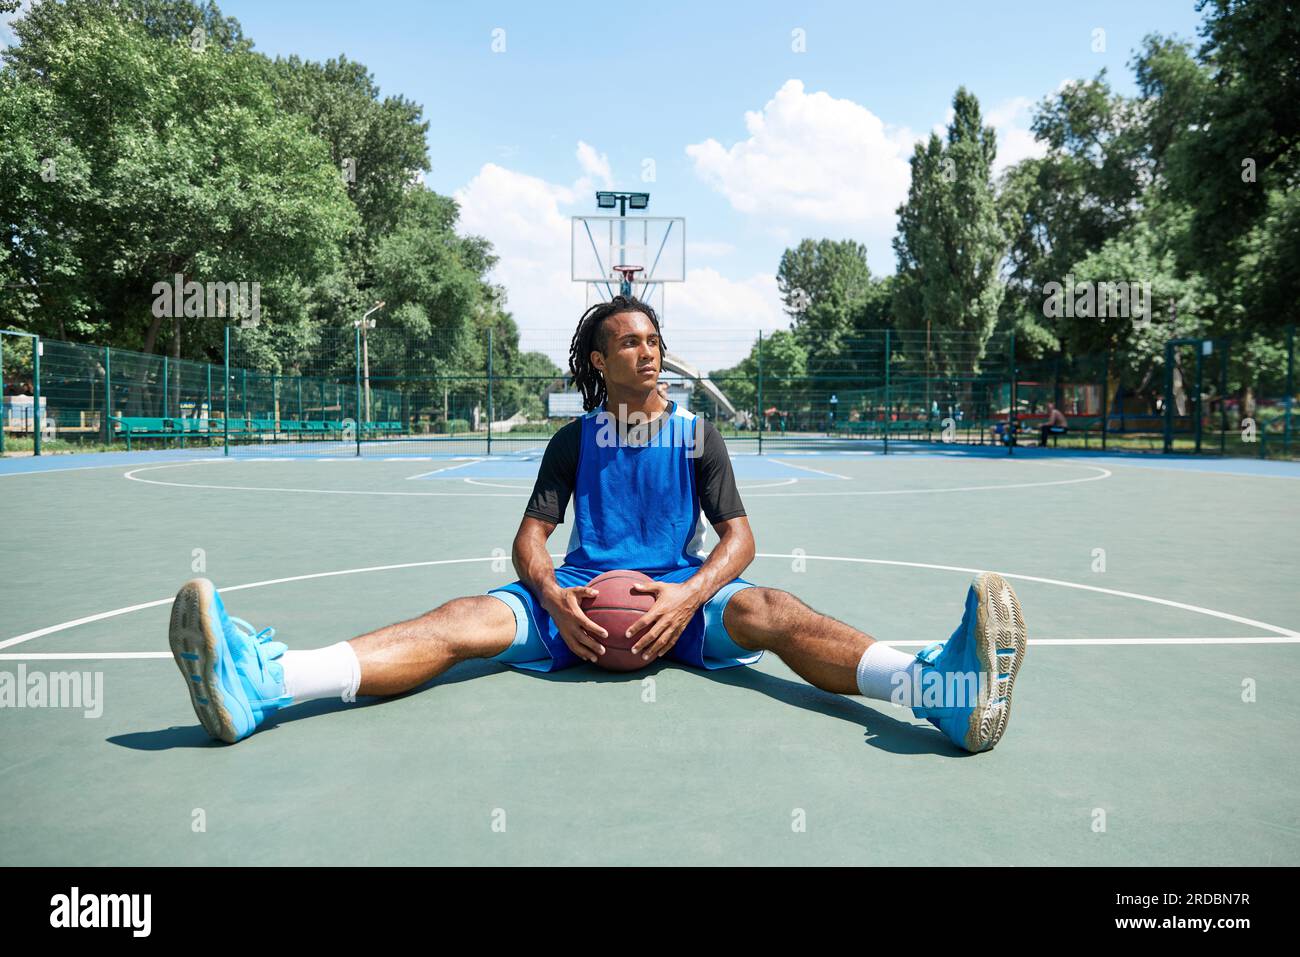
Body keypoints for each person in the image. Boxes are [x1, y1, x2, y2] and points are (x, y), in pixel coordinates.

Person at [168, 297, 1027, 754]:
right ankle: (262, 684)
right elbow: (530, 539)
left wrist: (690, 595)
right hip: (573, 599)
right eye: (629, 341)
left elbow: (739, 539)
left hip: (674, 600)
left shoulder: (697, 434)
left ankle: (939, 692)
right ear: (597, 361)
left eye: (654, 339)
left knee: (775, 609)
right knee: (463, 616)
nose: (648, 351)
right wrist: (552, 593)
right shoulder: (575, 439)